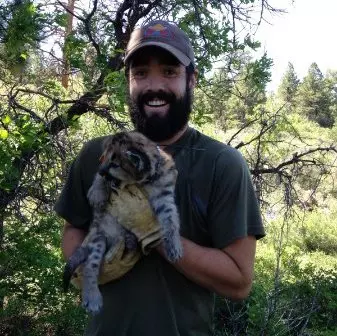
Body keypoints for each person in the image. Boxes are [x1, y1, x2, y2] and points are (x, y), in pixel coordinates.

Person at [55, 19, 265, 336]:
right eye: (140, 73)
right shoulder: (96, 155)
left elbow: (239, 281)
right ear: (128, 80)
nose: (154, 86)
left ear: (191, 79)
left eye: (169, 72)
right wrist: (86, 268)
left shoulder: (222, 165)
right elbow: (74, 227)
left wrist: (153, 234)